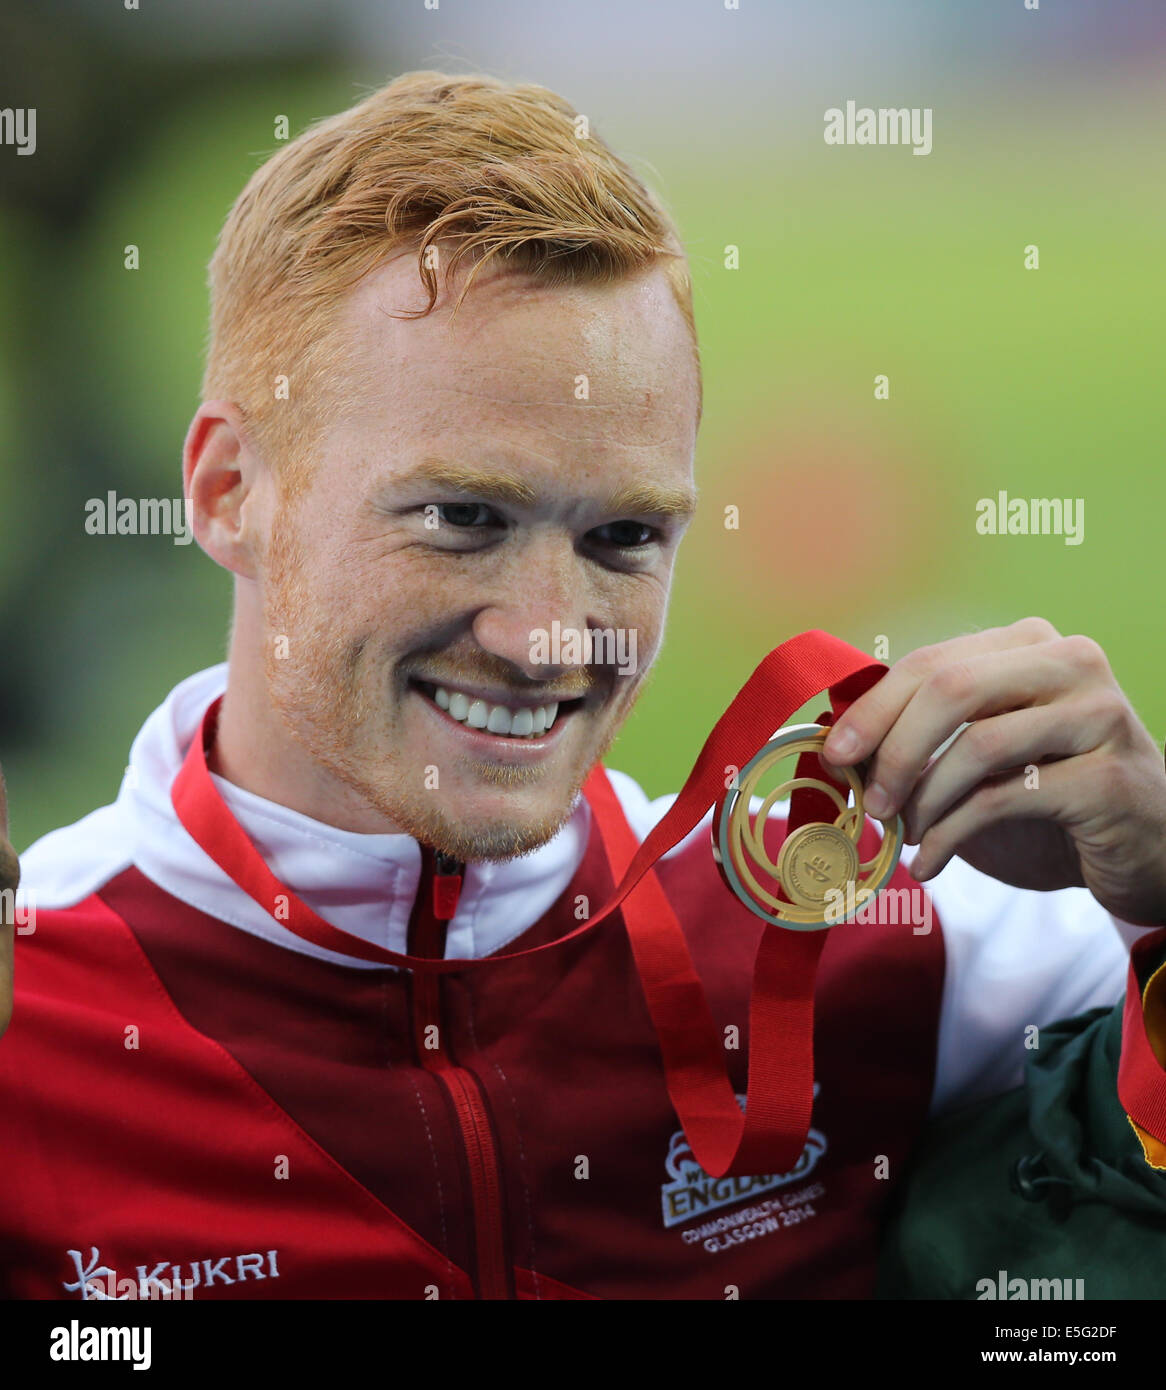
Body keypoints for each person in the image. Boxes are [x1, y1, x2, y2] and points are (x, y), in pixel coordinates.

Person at [2, 70, 1165, 1302]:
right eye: (460, 517)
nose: (552, 639)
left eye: (622, 538)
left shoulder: (864, 935)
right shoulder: (38, 1004)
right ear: (231, 490)